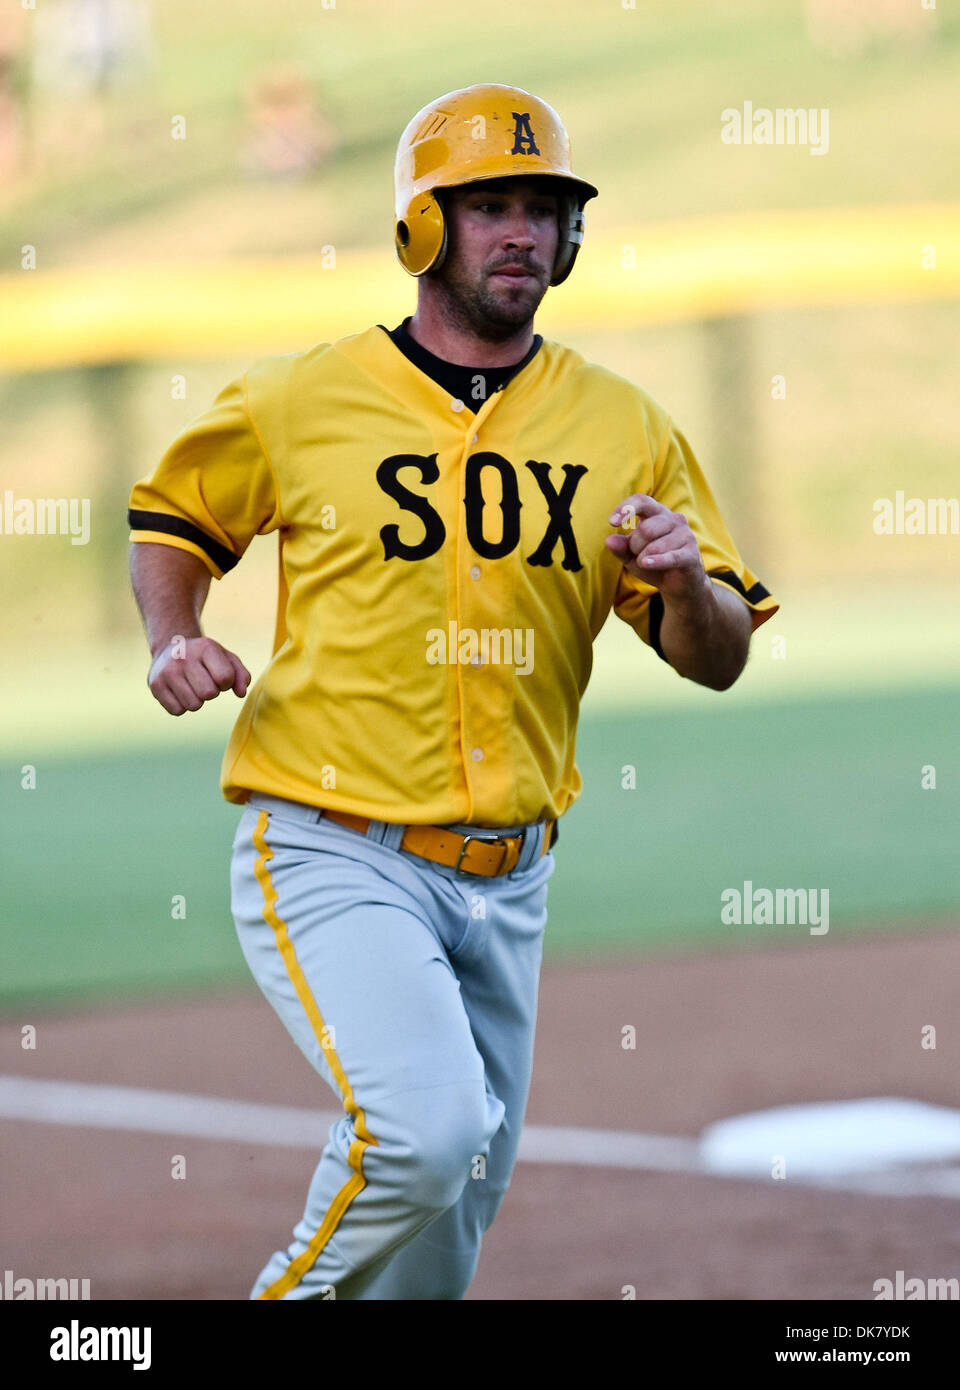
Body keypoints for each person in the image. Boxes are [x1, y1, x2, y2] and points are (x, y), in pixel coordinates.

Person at [127, 83, 779, 1301]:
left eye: (544, 208)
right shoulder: (302, 395)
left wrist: (688, 581)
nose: (523, 231)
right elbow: (173, 517)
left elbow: (720, 653)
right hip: (334, 846)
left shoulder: (623, 425)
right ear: (424, 226)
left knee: (438, 1247)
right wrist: (174, 634)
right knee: (422, 1135)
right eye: (491, 207)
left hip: (513, 879)